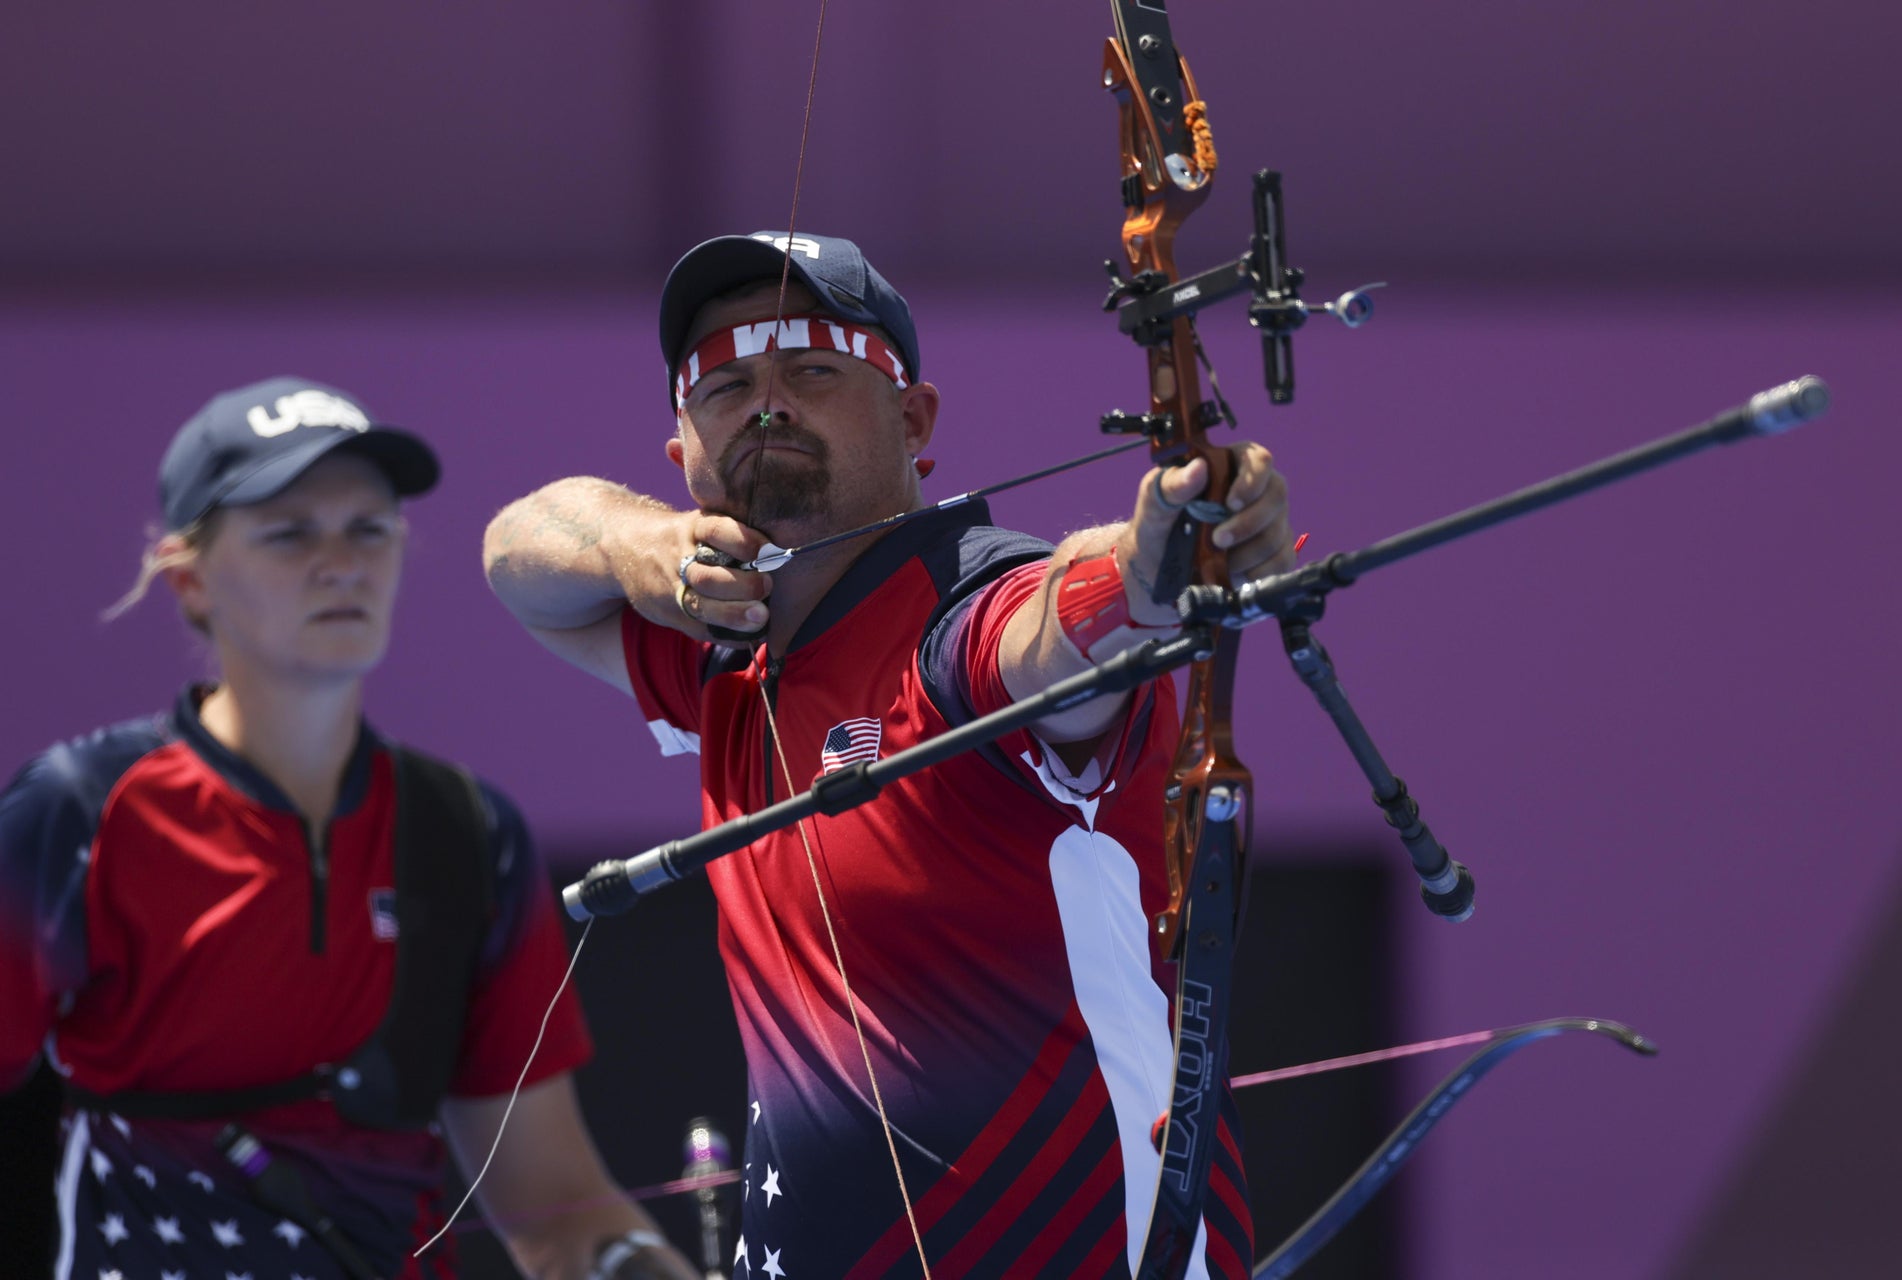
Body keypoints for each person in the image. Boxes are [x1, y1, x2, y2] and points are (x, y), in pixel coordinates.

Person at [483, 233, 1296, 1278]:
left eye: (813, 371)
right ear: (682, 453)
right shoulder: (722, 656)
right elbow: (516, 552)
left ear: (912, 421)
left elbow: (1051, 628)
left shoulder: (963, 615)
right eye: (726, 386)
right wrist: (634, 546)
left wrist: (1152, 561)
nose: (767, 405)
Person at [0, 378, 699, 1280]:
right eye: (290, 532)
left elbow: (557, 1216)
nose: (342, 563)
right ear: (189, 580)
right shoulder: (78, 813)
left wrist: (639, 1266)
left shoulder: (467, 832)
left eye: (370, 528)